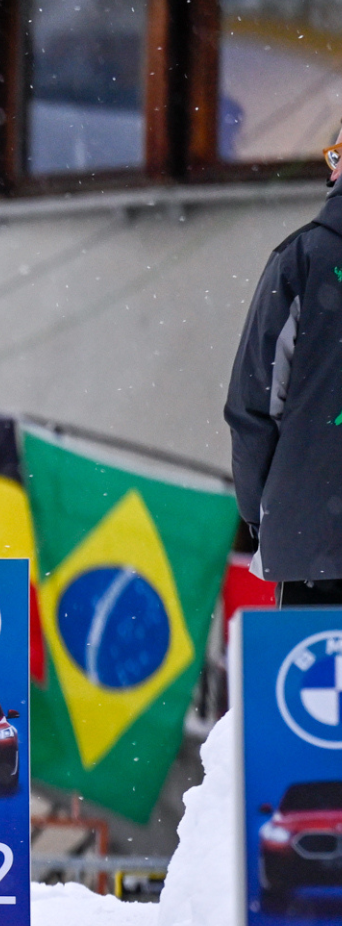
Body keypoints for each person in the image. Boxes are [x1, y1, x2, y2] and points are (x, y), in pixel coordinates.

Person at [228, 126, 342, 604]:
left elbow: (255, 405)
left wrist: (264, 512)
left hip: (317, 543)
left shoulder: (303, 260)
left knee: (312, 652)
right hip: (314, 536)